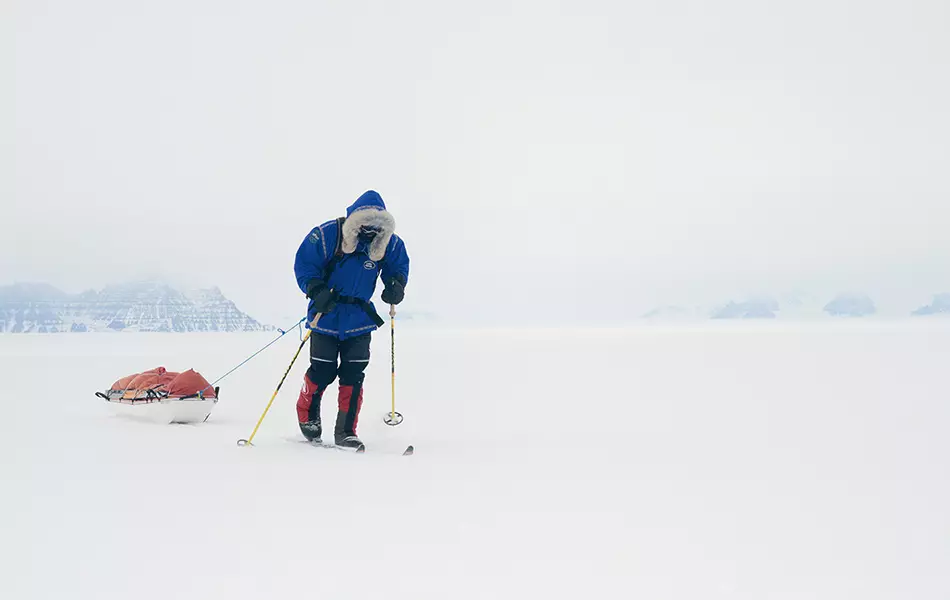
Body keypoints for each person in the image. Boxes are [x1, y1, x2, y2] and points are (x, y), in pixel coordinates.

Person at [293, 190, 409, 449]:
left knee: (353, 375)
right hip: (326, 315)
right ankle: (307, 413)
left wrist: (396, 285)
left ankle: (346, 431)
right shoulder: (328, 234)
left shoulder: (389, 241)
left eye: (377, 225)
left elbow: (398, 265)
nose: (371, 230)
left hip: (359, 319)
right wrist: (315, 289)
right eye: (367, 223)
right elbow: (305, 263)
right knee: (322, 371)